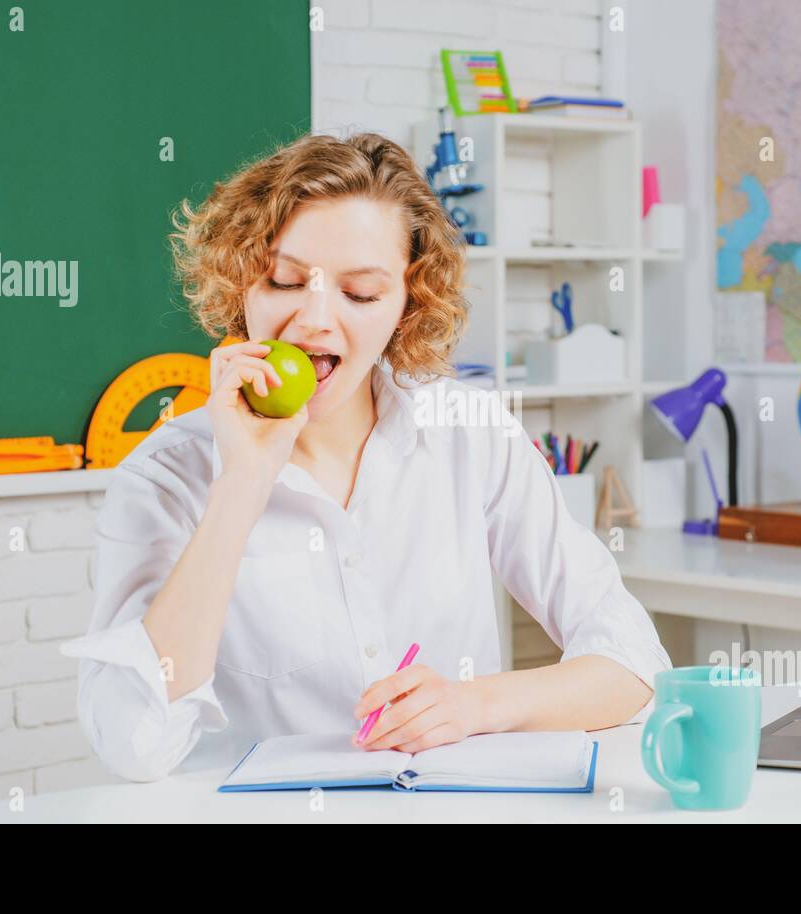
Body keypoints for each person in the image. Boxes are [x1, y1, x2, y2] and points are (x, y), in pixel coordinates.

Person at [62, 132, 670, 781]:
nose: (315, 321)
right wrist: (243, 482)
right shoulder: (164, 478)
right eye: (286, 280)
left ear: (408, 306)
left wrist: (472, 705)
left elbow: (636, 666)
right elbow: (132, 745)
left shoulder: (469, 434)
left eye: (360, 293)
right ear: (242, 283)